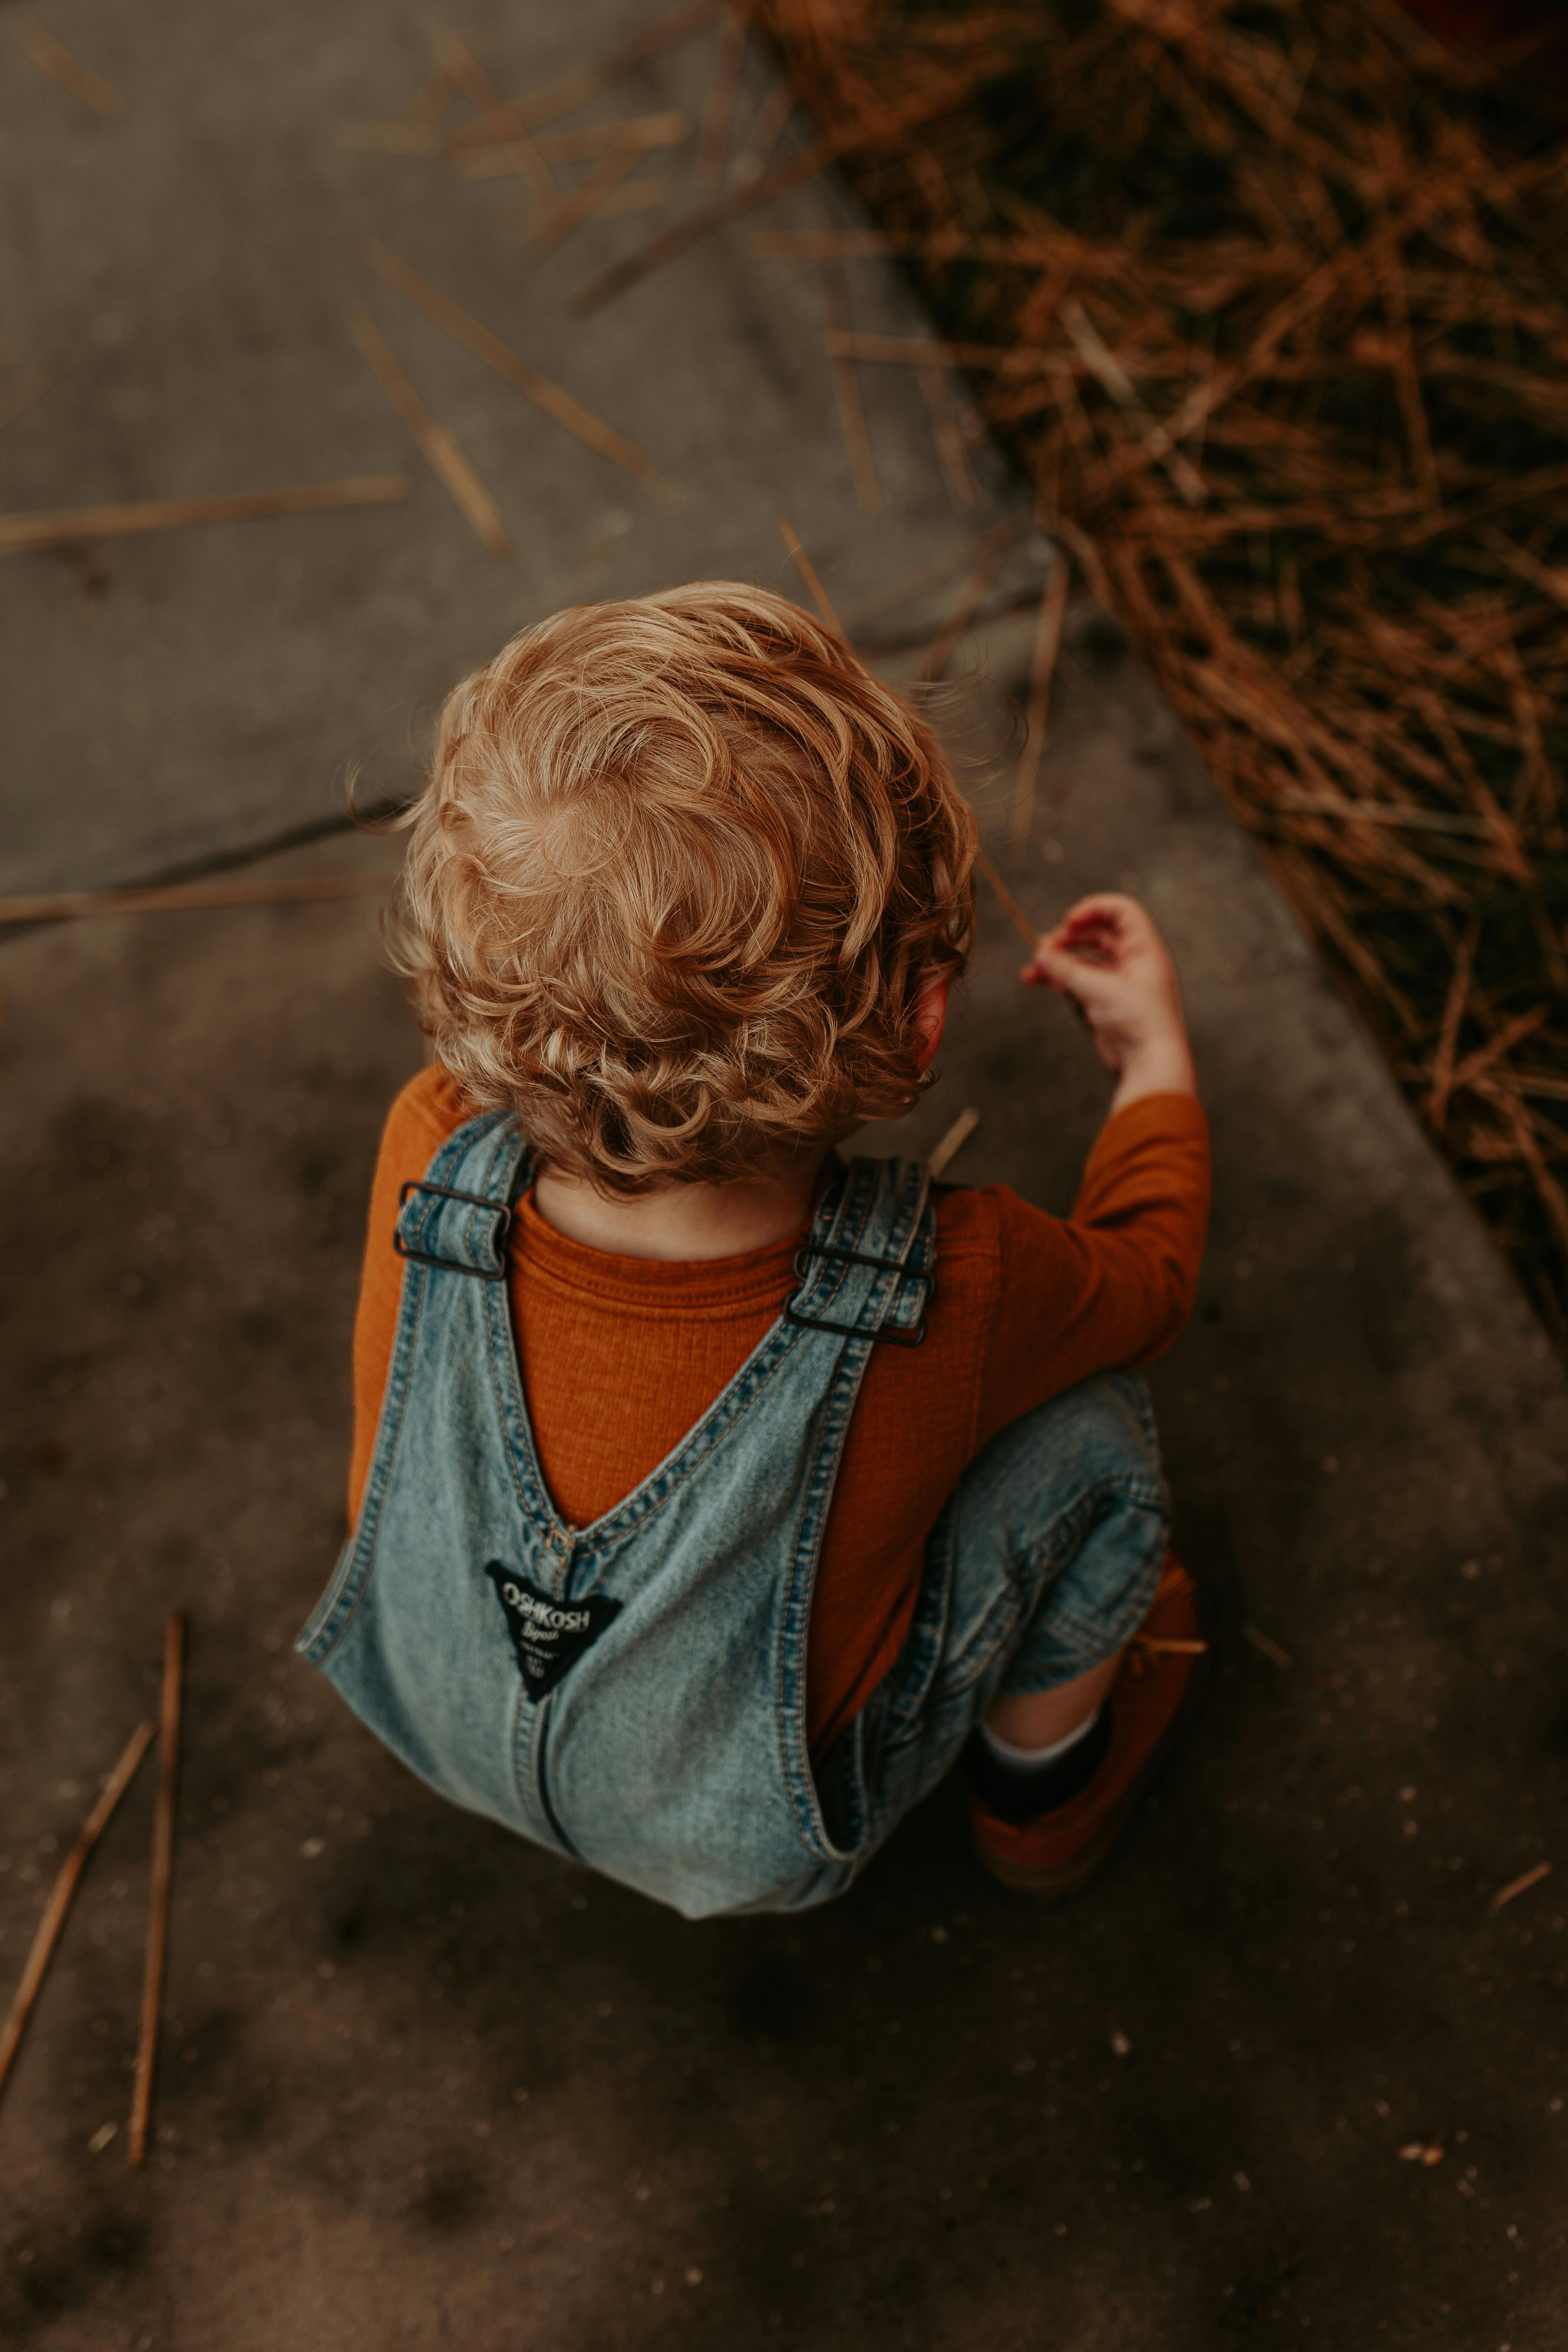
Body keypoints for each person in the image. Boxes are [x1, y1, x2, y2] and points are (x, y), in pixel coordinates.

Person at [298, 582, 1210, 1919]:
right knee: (1100, 1444)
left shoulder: (429, 1146)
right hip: (746, 1842)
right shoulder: (961, 1284)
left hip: (426, 1703)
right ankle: (1044, 1791)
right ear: (920, 1025)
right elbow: (1153, 1282)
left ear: (468, 1003)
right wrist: (1157, 1063)